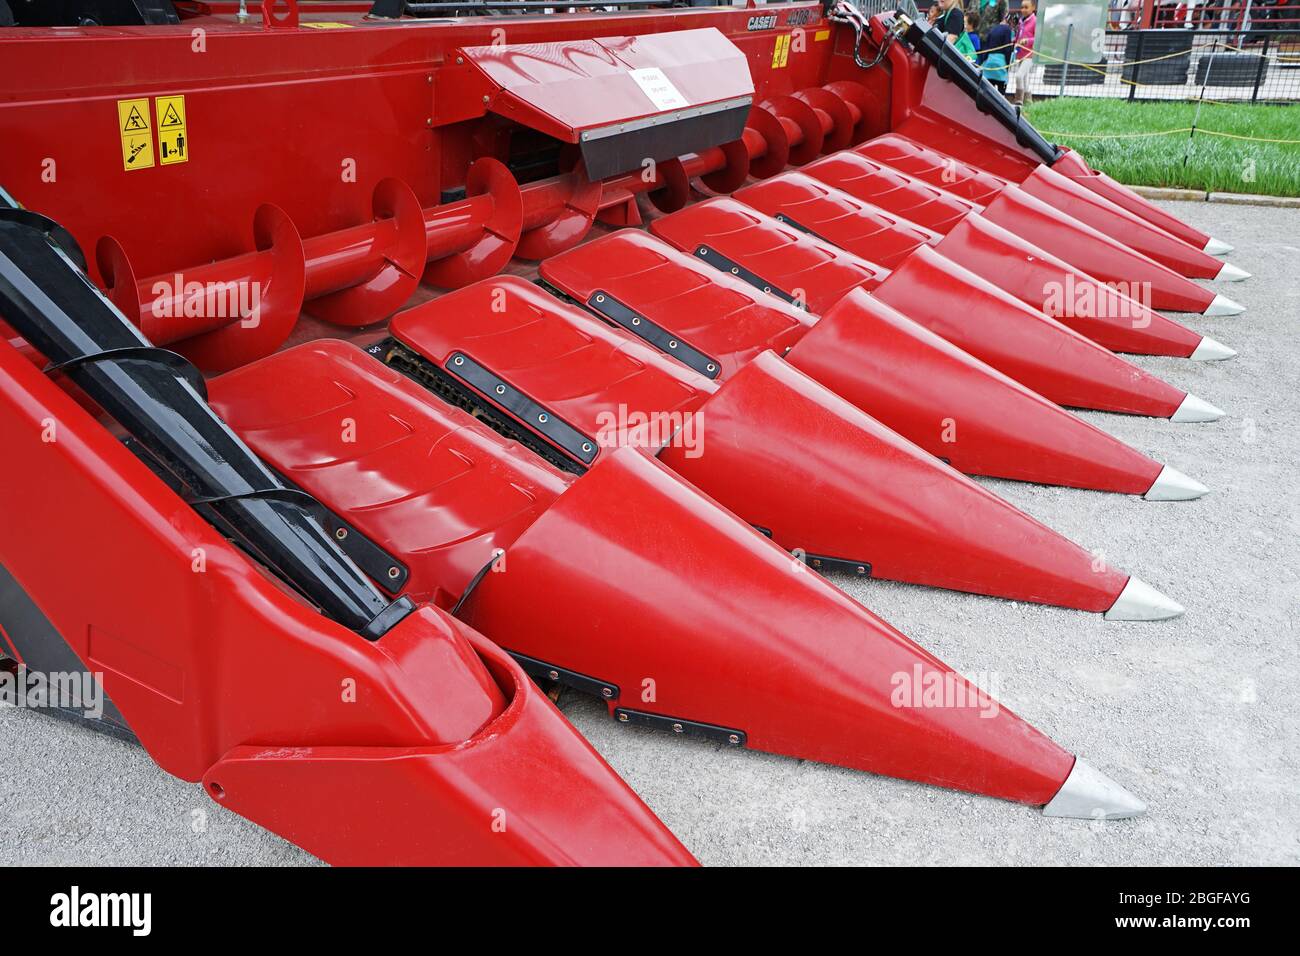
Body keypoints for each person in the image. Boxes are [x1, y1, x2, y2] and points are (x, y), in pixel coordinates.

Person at [1011, 0, 1037, 105]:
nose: (1023, 10)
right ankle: (1029, 102)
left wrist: (1028, 41)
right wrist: (1014, 41)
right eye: (1022, 7)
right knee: (1025, 79)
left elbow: (1038, 38)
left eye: (1026, 7)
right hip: (1021, 54)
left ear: (1033, 8)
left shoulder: (1035, 21)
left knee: (1019, 76)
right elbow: (1019, 35)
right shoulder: (1022, 21)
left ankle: (1019, 101)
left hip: (1030, 55)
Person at [982, 14, 1014, 94]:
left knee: (988, 92)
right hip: (1001, 63)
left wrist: (984, 60)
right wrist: (1008, 64)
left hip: (989, 63)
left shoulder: (993, 29)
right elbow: (1007, 49)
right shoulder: (1007, 30)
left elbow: (986, 46)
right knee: (1001, 91)